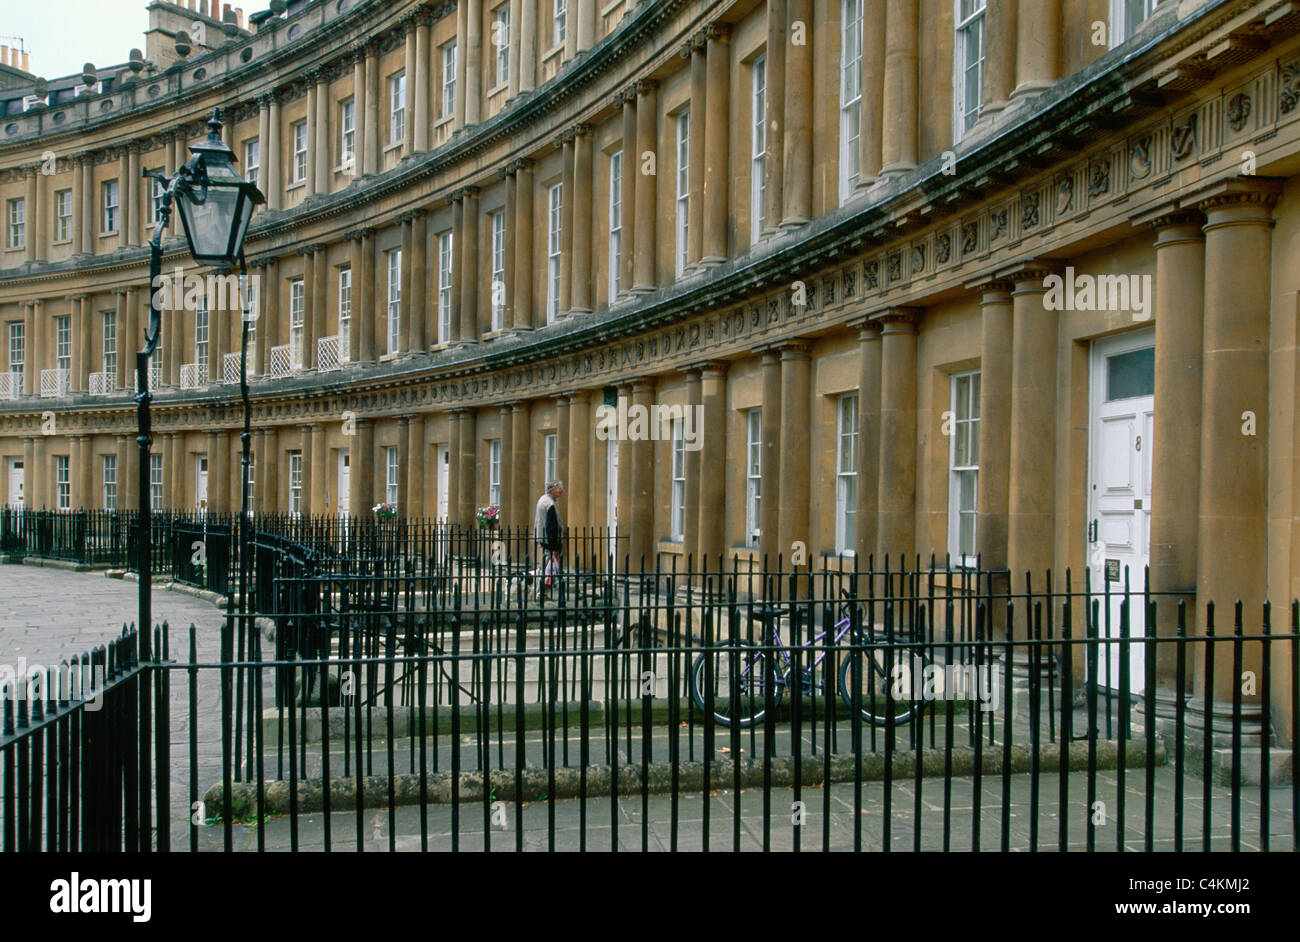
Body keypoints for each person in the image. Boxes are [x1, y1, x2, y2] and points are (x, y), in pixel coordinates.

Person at [533, 480, 565, 601]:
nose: (561, 491)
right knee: (547, 569)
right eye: (559, 489)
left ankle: (540, 593)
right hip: (549, 542)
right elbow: (551, 527)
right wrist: (554, 548)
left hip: (544, 539)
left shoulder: (543, 499)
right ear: (552, 490)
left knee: (546, 568)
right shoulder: (550, 504)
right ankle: (539, 594)